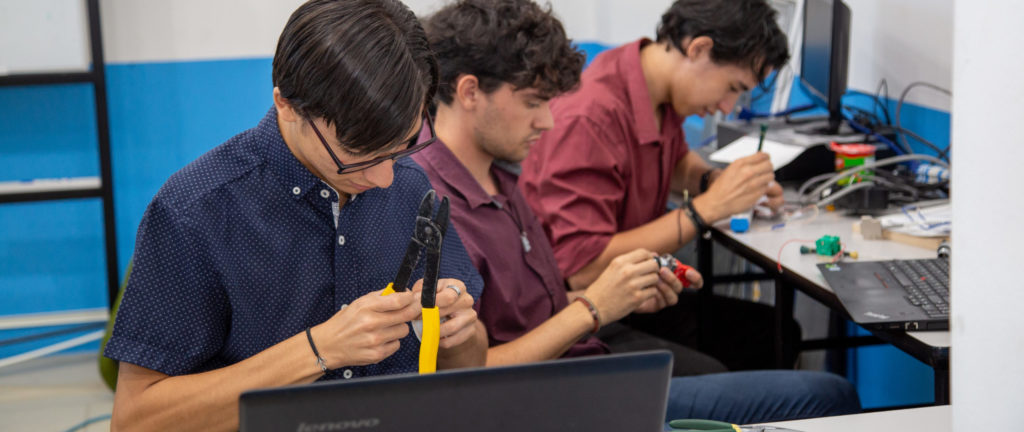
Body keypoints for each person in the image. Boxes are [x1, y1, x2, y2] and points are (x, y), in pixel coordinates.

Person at [414, 0, 860, 424]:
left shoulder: (497, 177)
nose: (549, 122)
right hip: (552, 391)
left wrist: (618, 295)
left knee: (766, 338)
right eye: (534, 103)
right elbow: (471, 377)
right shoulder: (435, 211)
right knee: (825, 393)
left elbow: (533, 310)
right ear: (469, 91)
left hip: (579, 353)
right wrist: (595, 306)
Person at [103, 1, 486, 430]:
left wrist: (459, 332)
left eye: (402, 146)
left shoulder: (411, 187)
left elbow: (472, 363)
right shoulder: (195, 212)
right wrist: (318, 349)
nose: (384, 179)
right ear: (287, 103)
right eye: (357, 156)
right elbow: (135, 421)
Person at [518, 0, 796, 371]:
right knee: (718, 370)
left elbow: (674, 158)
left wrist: (715, 181)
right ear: (699, 48)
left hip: (633, 295)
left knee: (776, 332)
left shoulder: (650, 83)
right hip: (579, 310)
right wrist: (709, 208)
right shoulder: (589, 117)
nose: (728, 107)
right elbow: (584, 267)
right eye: (732, 87)